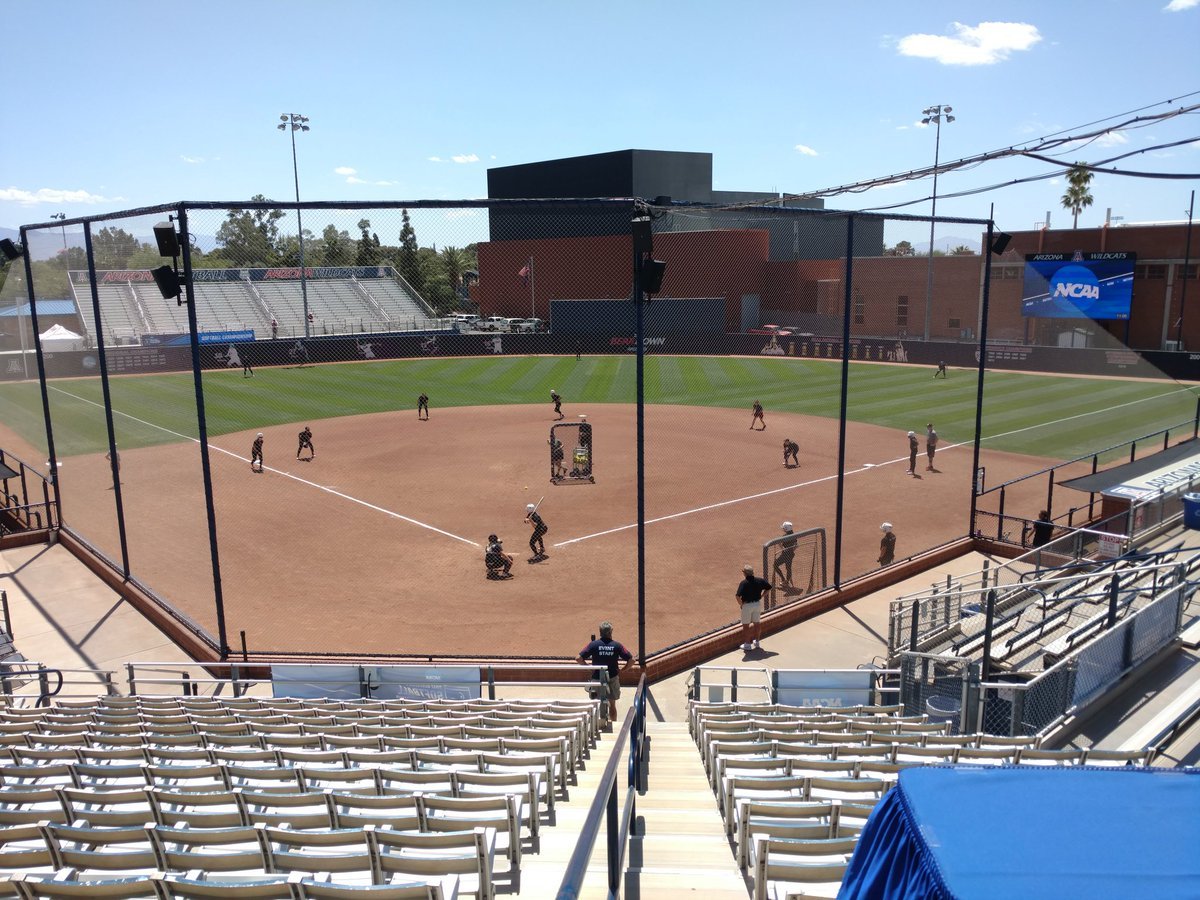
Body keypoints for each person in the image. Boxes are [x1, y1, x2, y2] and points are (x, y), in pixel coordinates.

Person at [577, 621, 633, 723]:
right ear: (611, 632)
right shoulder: (617, 645)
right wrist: (623, 670)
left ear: (600, 632)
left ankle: (596, 724)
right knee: (612, 704)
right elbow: (631, 660)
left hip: (597, 678)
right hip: (612, 677)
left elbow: (578, 658)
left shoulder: (593, 644)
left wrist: (589, 667)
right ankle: (614, 724)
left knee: (595, 704)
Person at [736, 564, 771, 650]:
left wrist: (741, 604)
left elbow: (737, 596)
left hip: (747, 606)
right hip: (757, 604)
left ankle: (747, 644)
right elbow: (769, 588)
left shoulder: (744, 583)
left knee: (746, 625)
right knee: (757, 623)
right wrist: (762, 596)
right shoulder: (759, 580)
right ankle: (757, 642)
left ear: (745, 573)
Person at [773, 522, 797, 591]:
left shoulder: (785, 536)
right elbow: (796, 545)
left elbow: (778, 542)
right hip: (791, 554)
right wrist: (791, 550)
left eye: (783, 528)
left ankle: (784, 580)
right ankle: (787, 581)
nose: (783, 529)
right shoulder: (794, 535)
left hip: (785, 555)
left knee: (775, 565)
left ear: (786, 529)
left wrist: (783, 549)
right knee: (788, 568)